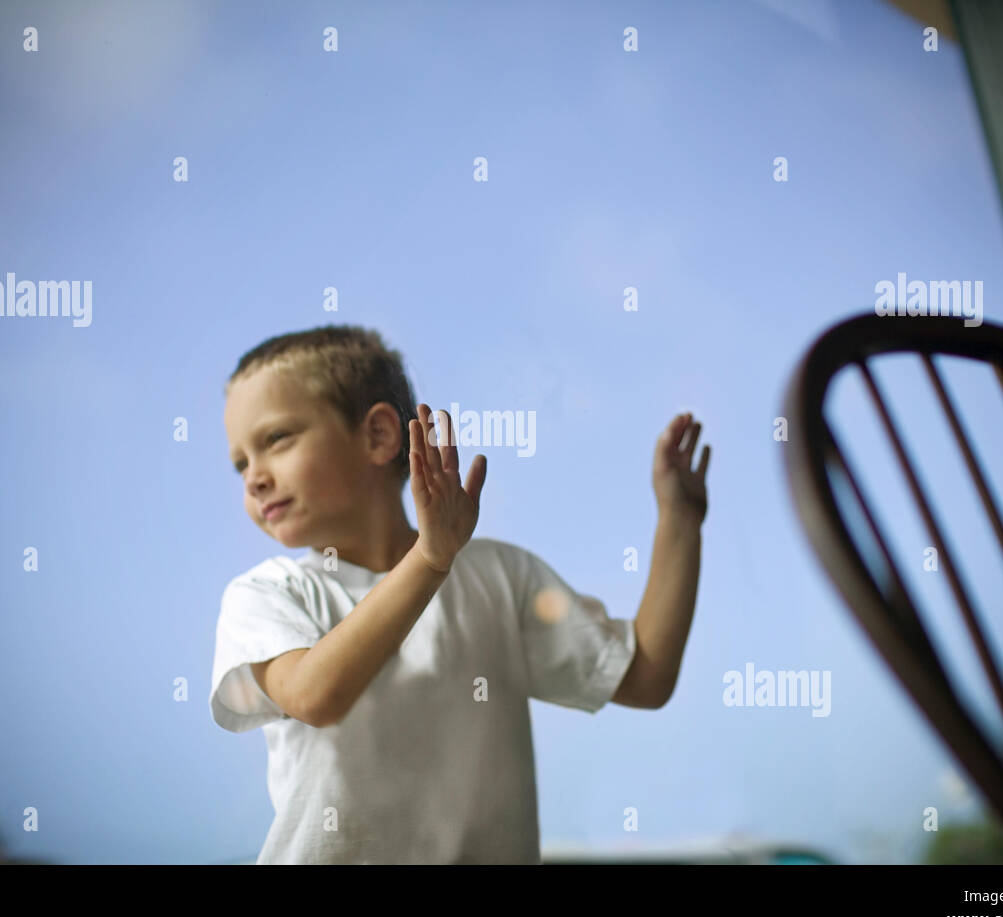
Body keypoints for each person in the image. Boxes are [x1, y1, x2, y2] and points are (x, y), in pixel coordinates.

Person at [209, 325, 710, 863]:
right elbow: (315, 696)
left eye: (276, 439)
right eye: (240, 463)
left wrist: (678, 521)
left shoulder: (500, 576)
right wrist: (430, 559)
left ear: (378, 435)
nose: (254, 478)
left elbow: (644, 678)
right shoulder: (266, 595)